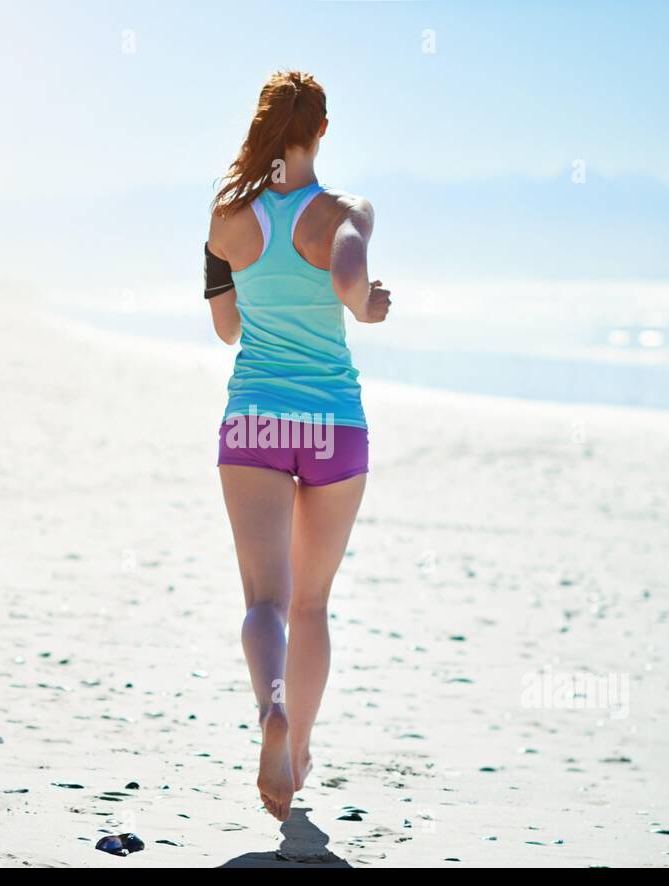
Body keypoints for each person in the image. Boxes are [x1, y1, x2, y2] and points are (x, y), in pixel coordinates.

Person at [203, 70, 391, 821]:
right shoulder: (346, 210)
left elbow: (228, 329)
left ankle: (270, 710)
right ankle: (301, 746)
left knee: (264, 601)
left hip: (254, 420)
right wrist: (363, 304)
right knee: (311, 603)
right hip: (333, 425)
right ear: (320, 133)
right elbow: (349, 272)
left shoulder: (226, 219)